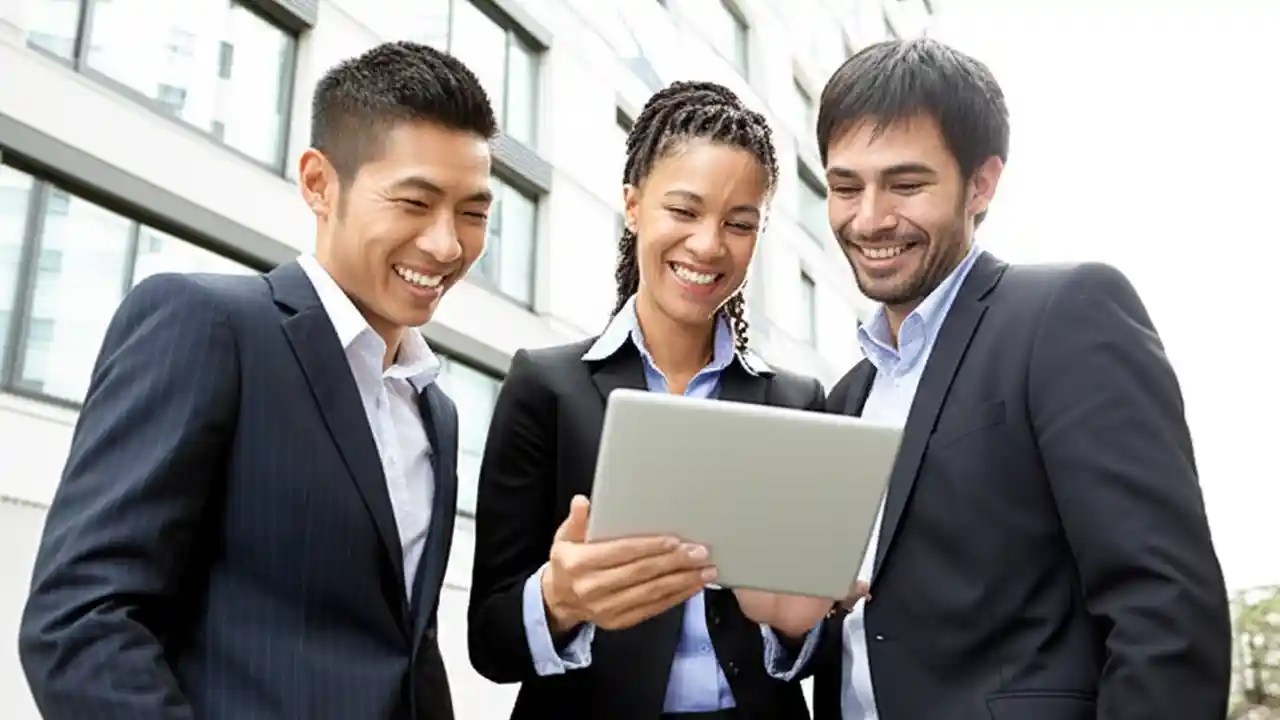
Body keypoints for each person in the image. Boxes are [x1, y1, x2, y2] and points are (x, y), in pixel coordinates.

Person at [737, 38, 1233, 720]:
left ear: (982, 183)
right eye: (846, 186)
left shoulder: (1067, 314)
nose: (870, 217)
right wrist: (791, 625)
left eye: (906, 185)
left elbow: (1165, 610)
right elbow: (880, 637)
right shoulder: (846, 398)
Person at [18, 41, 496, 719]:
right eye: (414, 202)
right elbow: (81, 620)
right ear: (318, 183)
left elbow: (403, 653)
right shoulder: (207, 324)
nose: (448, 245)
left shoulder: (434, 409)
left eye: (474, 213)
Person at [467, 80, 821, 720]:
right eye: (683, 212)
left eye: (740, 223)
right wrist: (559, 599)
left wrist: (794, 625)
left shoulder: (796, 404)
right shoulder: (547, 387)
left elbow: (809, 649)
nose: (709, 245)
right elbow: (489, 641)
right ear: (633, 206)